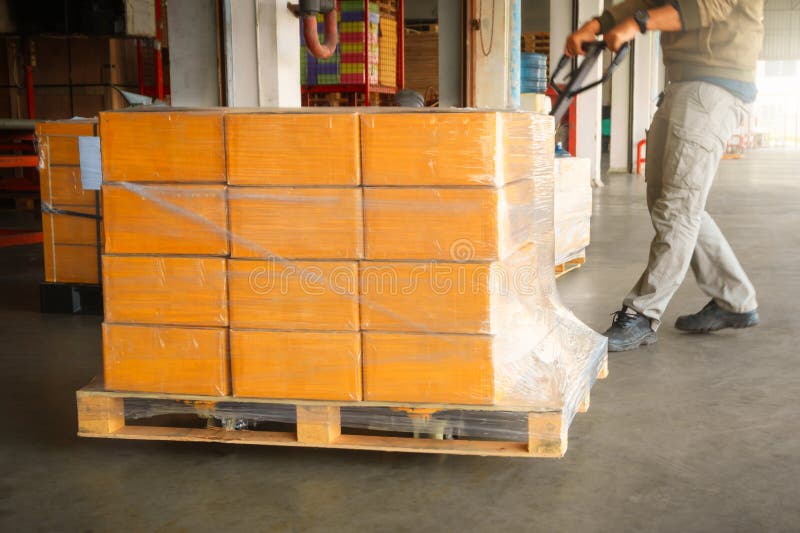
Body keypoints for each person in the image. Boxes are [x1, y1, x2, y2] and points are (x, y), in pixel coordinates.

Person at [565, 1, 764, 352]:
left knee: (678, 207)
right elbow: (643, 1)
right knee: (668, 200)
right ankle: (735, 301)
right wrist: (596, 25)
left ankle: (642, 314)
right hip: (684, 82)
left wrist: (636, 25)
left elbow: (709, 6)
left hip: (716, 85)